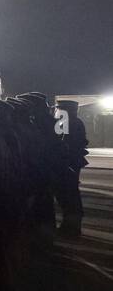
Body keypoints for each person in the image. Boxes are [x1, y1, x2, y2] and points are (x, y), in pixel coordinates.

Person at [56, 99, 87, 238]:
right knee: (71, 194)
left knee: (68, 195)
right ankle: (72, 226)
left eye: (60, 108)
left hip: (68, 163)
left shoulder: (65, 122)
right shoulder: (76, 122)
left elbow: (60, 143)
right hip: (72, 162)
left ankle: (71, 227)